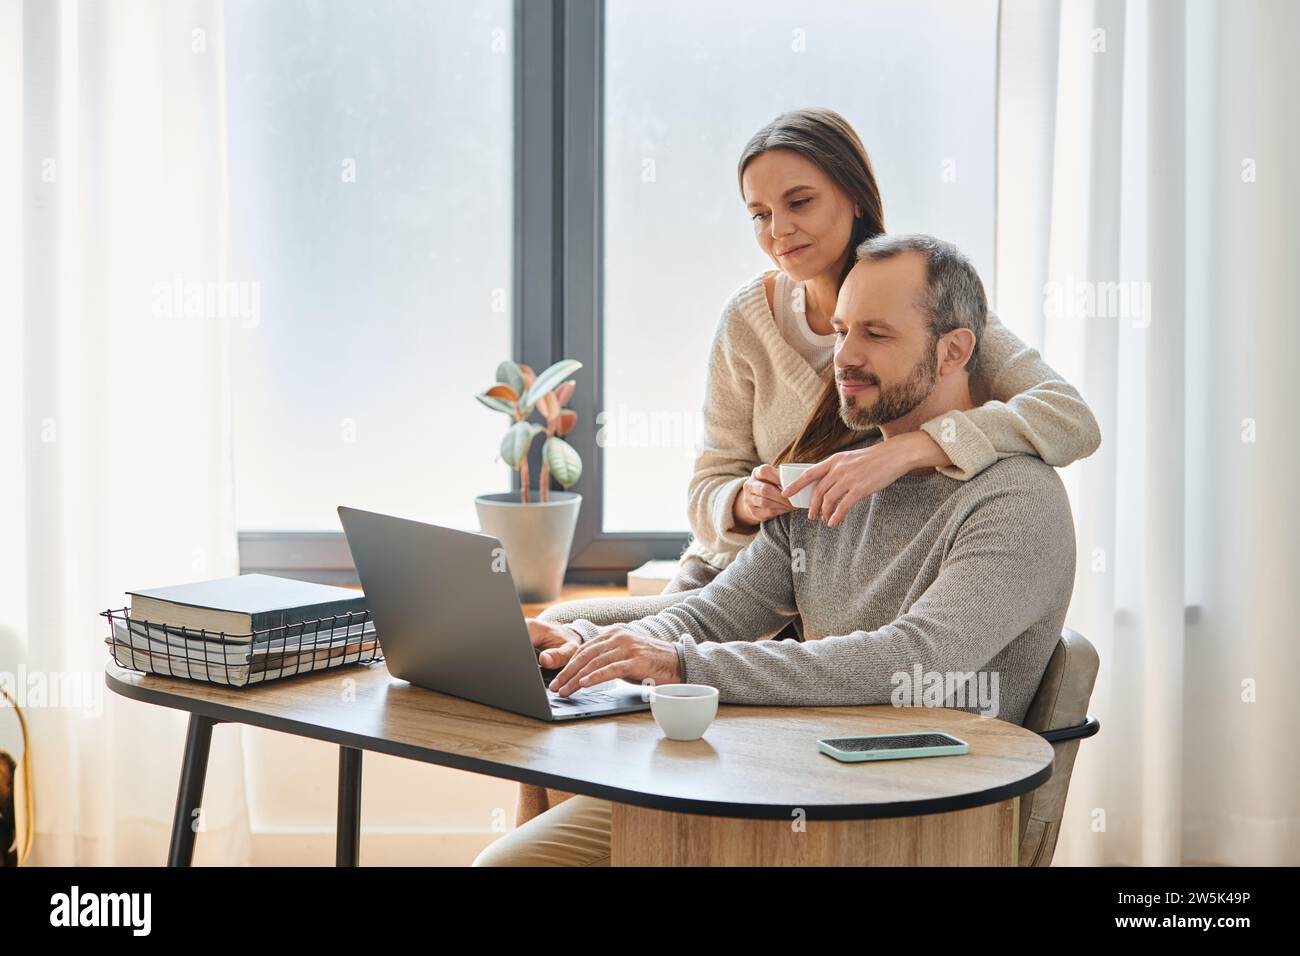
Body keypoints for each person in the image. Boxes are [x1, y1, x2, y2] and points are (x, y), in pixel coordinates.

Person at [473, 234, 1077, 866]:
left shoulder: (1016, 500)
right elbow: (710, 614)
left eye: (876, 333)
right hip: (782, 782)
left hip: (910, 821)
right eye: (842, 332)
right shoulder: (824, 481)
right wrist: (602, 655)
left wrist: (682, 665)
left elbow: (917, 659)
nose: (846, 356)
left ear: (953, 351)